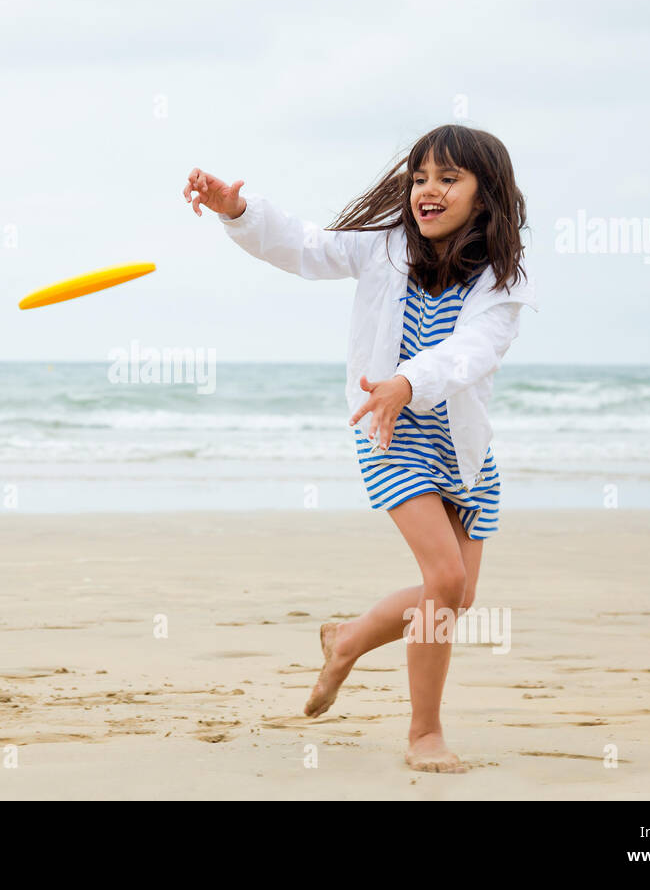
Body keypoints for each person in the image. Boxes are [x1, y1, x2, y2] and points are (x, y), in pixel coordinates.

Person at [183, 124, 538, 773]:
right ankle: (424, 733)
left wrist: (411, 380)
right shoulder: (384, 248)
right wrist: (238, 209)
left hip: (462, 448)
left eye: (449, 178)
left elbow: (470, 353)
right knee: (446, 580)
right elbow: (307, 247)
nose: (428, 190)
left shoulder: (501, 283)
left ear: (484, 197)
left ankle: (344, 639)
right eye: (421, 176)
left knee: (455, 599)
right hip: (390, 433)